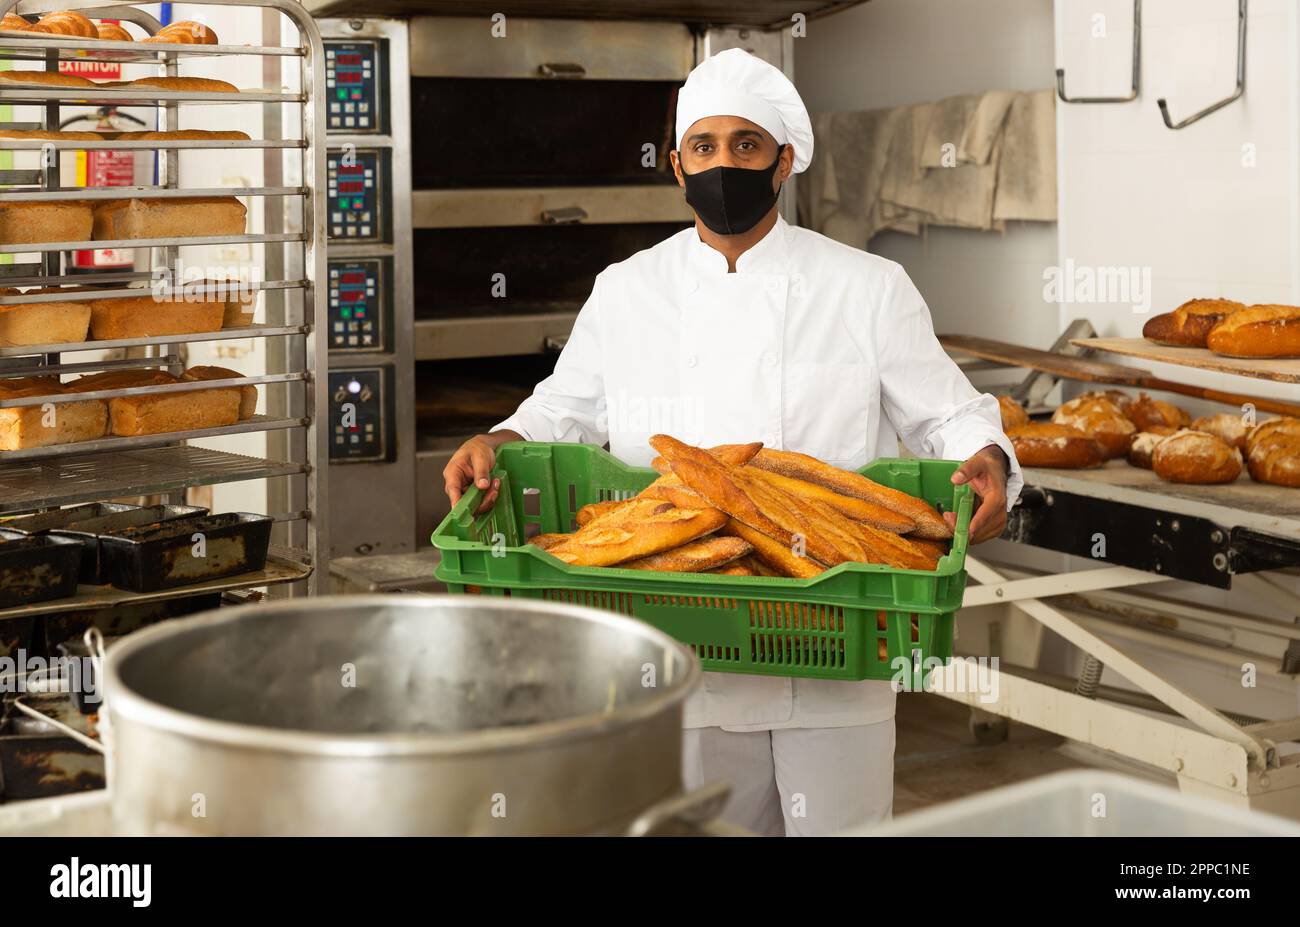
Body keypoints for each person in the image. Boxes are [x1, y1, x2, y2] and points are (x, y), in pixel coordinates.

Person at [444, 48, 1022, 836]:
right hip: (678, 653)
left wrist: (989, 460)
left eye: (746, 146)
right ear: (676, 166)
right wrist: (498, 439)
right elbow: (561, 415)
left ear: (783, 162)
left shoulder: (865, 288)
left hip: (834, 657)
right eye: (705, 147)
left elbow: (948, 419)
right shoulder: (627, 291)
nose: (725, 164)